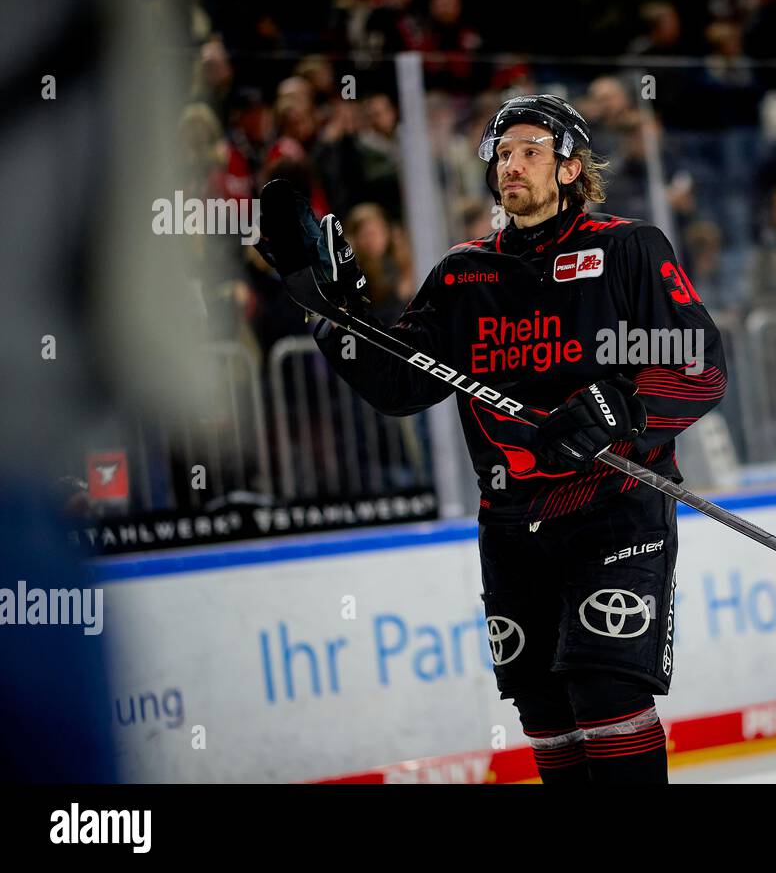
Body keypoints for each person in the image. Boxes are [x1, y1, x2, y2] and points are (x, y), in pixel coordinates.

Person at [257, 95, 727, 785]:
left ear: (570, 169)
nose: (512, 164)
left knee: (603, 690)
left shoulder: (625, 249)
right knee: (544, 707)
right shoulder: (462, 275)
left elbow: (700, 367)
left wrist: (618, 405)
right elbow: (402, 385)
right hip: (510, 523)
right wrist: (333, 315)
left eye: (532, 150)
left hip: (613, 504)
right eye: (503, 153)